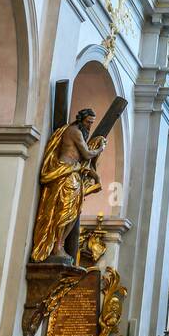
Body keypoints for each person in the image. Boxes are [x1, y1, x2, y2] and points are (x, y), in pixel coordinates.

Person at [30, 109, 106, 262]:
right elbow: (86, 154)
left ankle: (60, 244)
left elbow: (82, 160)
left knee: (74, 210)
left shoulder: (80, 132)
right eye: (88, 122)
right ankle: (55, 246)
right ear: (80, 120)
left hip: (73, 172)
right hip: (65, 172)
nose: (90, 126)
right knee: (64, 211)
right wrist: (100, 148)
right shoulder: (74, 131)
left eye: (92, 123)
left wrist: (95, 176)